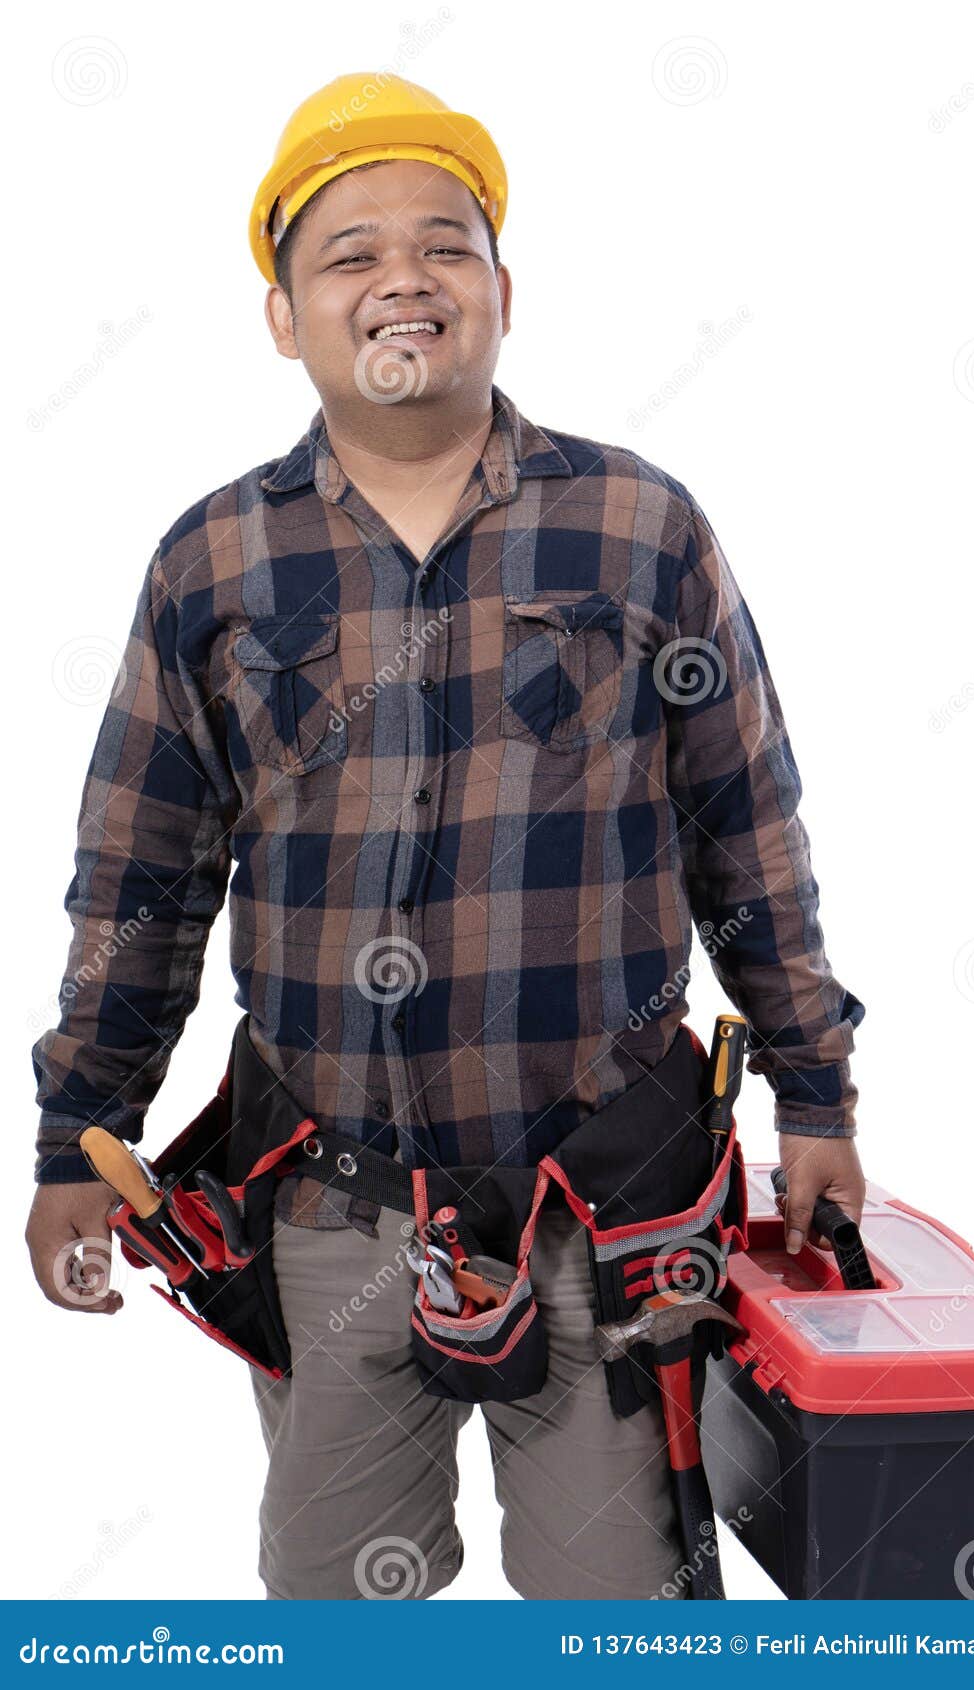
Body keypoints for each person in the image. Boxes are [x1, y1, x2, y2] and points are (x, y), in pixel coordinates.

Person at [25, 73, 866, 1600]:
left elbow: (746, 827)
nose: (401, 277)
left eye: (443, 245)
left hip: (604, 1205)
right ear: (283, 315)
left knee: (619, 1624)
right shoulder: (215, 560)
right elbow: (143, 873)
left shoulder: (639, 527)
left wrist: (814, 1092)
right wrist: (80, 1128)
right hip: (326, 1206)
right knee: (343, 1617)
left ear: (501, 290)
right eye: (349, 254)